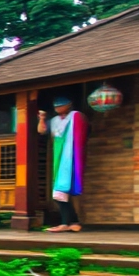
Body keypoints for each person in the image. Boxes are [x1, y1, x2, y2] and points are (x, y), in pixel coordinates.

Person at [38, 95, 86, 232]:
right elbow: (41, 131)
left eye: (61, 105)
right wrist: (41, 119)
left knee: (62, 191)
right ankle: (70, 222)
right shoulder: (53, 120)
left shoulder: (75, 115)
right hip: (59, 156)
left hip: (72, 154)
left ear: (69, 104)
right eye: (56, 106)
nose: (58, 108)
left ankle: (69, 222)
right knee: (60, 193)